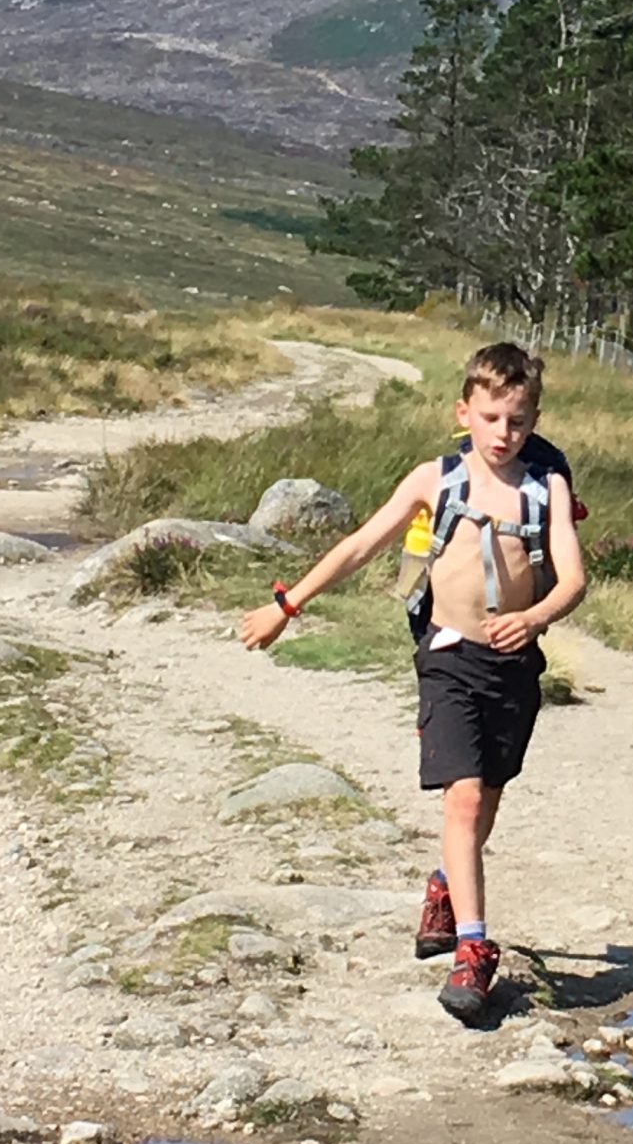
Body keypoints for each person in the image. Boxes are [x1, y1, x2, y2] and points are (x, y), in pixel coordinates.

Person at [240, 341, 587, 1021]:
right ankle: (474, 950)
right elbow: (359, 546)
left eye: (517, 421)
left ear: (535, 419)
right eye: (490, 418)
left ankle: (443, 887)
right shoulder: (437, 479)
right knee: (462, 799)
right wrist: (287, 606)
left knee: (485, 801)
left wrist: (536, 616)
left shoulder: (546, 487)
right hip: (449, 656)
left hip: (513, 666)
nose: (503, 434)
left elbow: (573, 579)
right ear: (465, 411)